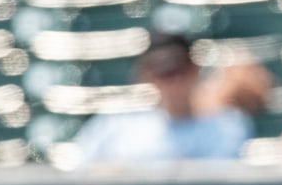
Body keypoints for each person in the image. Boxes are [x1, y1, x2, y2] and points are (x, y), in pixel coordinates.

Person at [70, 33, 252, 167]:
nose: (175, 81)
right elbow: (79, 179)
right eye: (164, 73)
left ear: (195, 70)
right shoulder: (112, 127)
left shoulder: (227, 127)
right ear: (146, 76)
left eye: (180, 69)